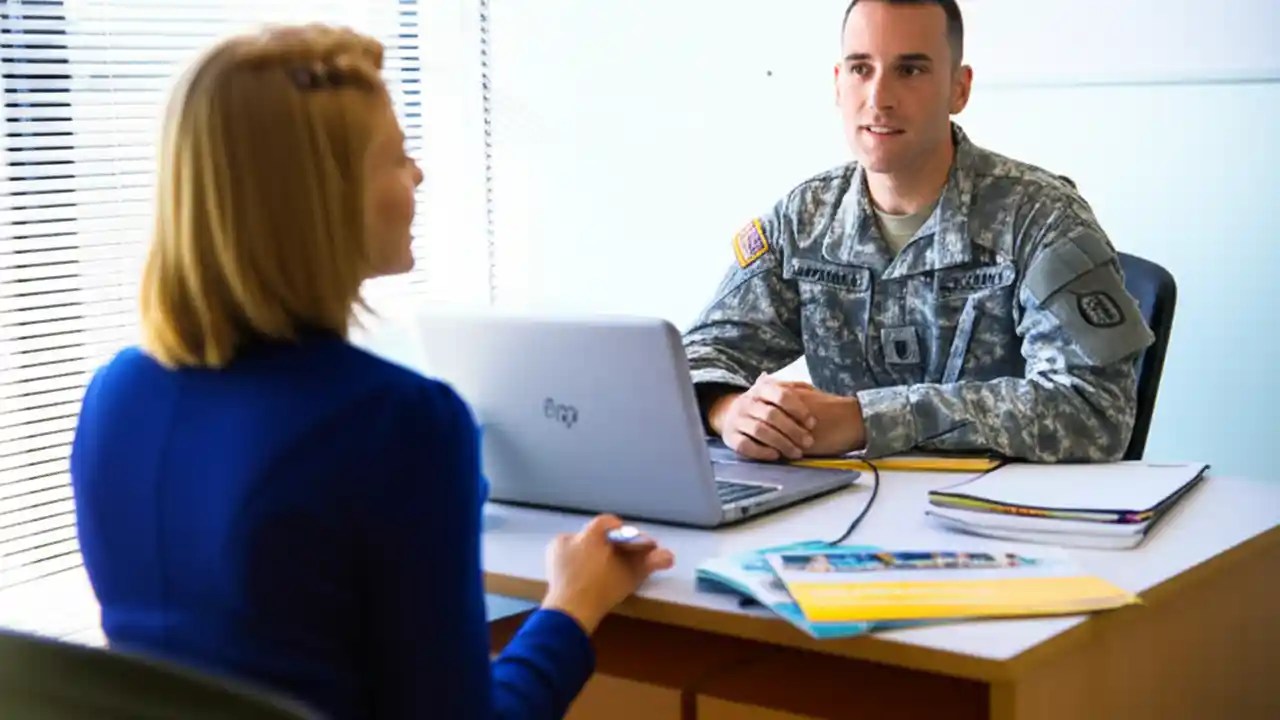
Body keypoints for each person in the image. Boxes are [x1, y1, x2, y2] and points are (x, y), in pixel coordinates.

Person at [69, 25, 673, 720]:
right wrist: (573, 602)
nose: (417, 176)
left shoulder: (115, 394)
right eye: (397, 157)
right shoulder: (397, 423)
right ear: (321, 200)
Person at [683, 0, 1154, 464]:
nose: (879, 98)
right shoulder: (804, 219)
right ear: (837, 83)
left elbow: (1095, 412)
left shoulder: (1041, 217)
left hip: (1004, 521)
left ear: (959, 89)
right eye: (861, 69)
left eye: (910, 71)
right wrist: (729, 411)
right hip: (840, 517)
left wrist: (867, 420)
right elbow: (692, 359)